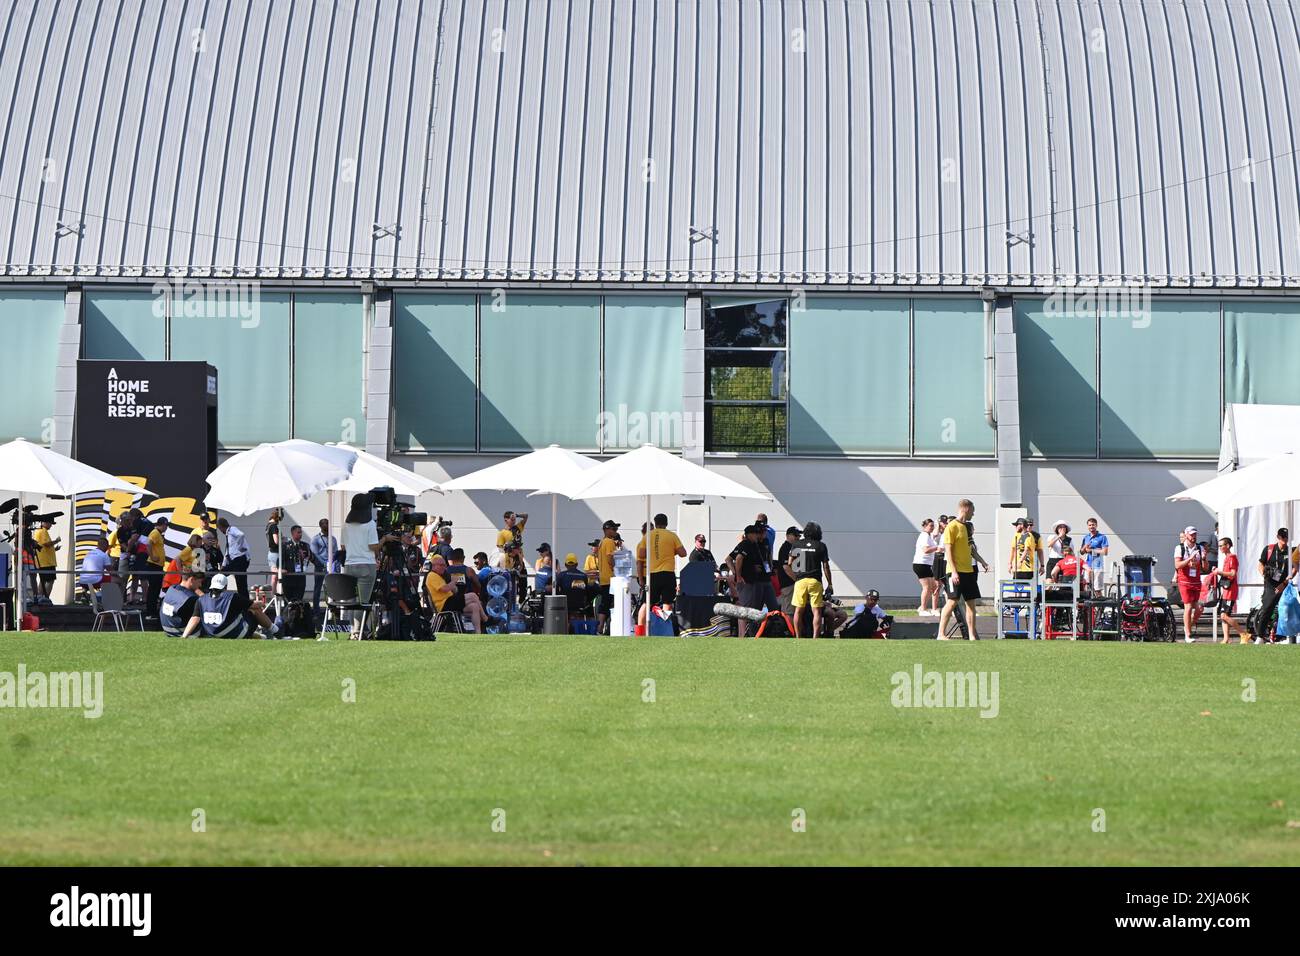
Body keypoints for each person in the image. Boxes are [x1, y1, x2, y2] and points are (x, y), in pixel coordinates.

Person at [341, 494, 391, 639]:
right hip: (366, 566)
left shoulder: (346, 525)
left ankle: (353, 631)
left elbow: (343, 546)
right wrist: (384, 539)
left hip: (349, 565)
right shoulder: (369, 524)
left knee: (351, 601)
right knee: (362, 602)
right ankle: (357, 632)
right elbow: (373, 547)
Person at [181, 573, 279, 639]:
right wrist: (262, 603)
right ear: (226, 586)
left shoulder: (201, 599)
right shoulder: (232, 597)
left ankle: (261, 636)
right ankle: (275, 631)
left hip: (211, 633)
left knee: (240, 615)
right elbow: (254, 606)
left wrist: (184, 636)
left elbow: (194, 618)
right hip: (231, 633)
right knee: (254, 611)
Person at [937, 499, 979, 641]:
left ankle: (972, 636)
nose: (973, 514)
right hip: (954, 571)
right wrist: (954, 571)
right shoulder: (952, 526)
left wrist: (983, 563)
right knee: (952, 601)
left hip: (968, 571)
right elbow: (948, 550)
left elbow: (970, 549)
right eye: (972, 510)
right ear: (966, 509)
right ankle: (941, 634)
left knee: (971, 603)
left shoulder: (967, 527)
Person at [785, 521, 832, 638]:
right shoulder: (821, 545)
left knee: (798, 610)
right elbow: (826, 566)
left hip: (800, 581)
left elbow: (790, 563)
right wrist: (830, 583)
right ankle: (815, 637)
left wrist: (797, 573)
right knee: (816, 611)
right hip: (815, 580)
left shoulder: (796, 544)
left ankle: (798, 636)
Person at [729, 525, 778, 636]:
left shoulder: (757, 544)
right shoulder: (746, 544)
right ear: (750, 534)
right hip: (747, 582)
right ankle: (743, 635)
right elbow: (737, 559)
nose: (758, 535)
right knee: (746, 609)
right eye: (756, 533)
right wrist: (738, 575)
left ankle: (751, 633)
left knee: (752, 609)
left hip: (754, 581)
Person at [636, 514, 687, 609]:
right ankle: (664, 623)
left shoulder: (648, 535)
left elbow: (641, 555)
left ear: (655, 523)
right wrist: (670, 551)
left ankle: (641, 624)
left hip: (652, 574)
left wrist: (654, 551)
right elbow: (683, 553)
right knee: (667, 602)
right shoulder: (672, 535)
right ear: (666, 523)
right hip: (667, 573)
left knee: (647, 602)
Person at [426, 554, 483, 633]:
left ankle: (478, 633)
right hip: (444, 604)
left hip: (450, 601)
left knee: (475, 607)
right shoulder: (432, 575)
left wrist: (452, 584)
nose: (444, 567)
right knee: (473, 595)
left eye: (444, 565)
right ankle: (485, 618)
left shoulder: (441, 576)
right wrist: (453, 581)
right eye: (441, 565)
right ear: (434, 566)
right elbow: (445, 589)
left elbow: (454, 591)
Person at [1174, 525, 1210, 643]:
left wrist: (1204, 559)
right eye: (1191, 534)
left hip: (1196, 581)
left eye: (1195, 534)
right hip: (1184, 581)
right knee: (1188, 606)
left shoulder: (1200, 548)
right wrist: (1189, 559)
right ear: (1186, 535)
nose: (1194, 536)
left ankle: (1187, 626)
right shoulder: (1180, 548)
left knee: (1199, 608)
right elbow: (1177, 565)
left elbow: (1205, 568)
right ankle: (1188, 635)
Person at [1255, 527, 1291, 645]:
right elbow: (1261, 563)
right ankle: (1260, 636)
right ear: (1278, 537)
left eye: (1286, 537)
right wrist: (1263, 573)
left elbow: (1294, 567)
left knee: (1285, 608)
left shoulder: (1290, 551)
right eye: (1282, 537)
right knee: (1267, 608)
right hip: (1270, 584)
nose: (1284, 540)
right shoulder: (1269, 549)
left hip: (1284, 583)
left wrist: (1284, 583)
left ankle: (1282, 637)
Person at [1209, 537, 1246, 645]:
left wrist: (1219, 572)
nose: (1219, 548)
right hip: (1226, 590)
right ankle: (1226, 638)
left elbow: (1233, 574)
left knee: (1224, 615)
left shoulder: (1232, 557)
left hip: (1231, 590)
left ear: (1228, 546)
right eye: (1219, 546)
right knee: (1223, 615)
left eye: (1221, 545)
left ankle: (1243, 633)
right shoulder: (1226, 558)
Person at [159, 569, 203, 637]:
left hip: (166, 629)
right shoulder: (191, 598)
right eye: (199, 582)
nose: (200, 585)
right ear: (191, 580)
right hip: (180, 631)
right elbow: (195, 619)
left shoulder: (172, 588)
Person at [595, 520, 620, 633]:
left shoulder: (601, 542)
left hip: (603, 578)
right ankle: (603, 628)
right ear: (607, 530)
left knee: (604, 603)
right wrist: (618, 566)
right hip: (610, 578)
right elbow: (610, 559)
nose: (615, 531)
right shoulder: (609, 542)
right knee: (610, 604)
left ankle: (601, 627)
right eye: (614, 529)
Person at [216, 517, 250, 598]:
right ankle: (244, 601)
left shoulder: (232, 529)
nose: (221, 531)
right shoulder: (228, 535)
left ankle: (244, 603)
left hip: (239, 559)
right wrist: (224, 564)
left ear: (221, 527)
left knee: (240, 582)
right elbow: (228, 552)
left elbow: (241, 535)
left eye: (219, 529)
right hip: (236, 560)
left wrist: (239, 545)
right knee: (241, 583)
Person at [310, 519, 339, 611]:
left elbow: (335, 552)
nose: (327, 525)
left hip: (332, 567)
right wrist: (324, 563)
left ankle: (333, 609)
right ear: (321, 526)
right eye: (325, 524)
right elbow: (315, 554)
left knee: (333, 588)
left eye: (328, 523)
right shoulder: (316, 539)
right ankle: (316, 610)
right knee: (318, 588)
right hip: (320, 567)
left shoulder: (333, 538)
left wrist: (334, 563)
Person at [912, 518, 940, 615]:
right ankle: (923, 609)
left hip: (926, 565)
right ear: (925, 526)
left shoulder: (929, 535)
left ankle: (922, 607)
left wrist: (938, 524)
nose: (932, 528)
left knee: (934, 586)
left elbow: (935, 533)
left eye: (933, 526)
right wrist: (938, 548)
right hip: (921, 564)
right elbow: (925, 550)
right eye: (930, 526)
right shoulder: (924, 536)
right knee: (927, 587)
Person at [143, 516, 168, 619]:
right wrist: (152, 556)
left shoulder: (158, 534)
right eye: (166, 525)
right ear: (161, 524)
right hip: (154, 565)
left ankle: (152, 612)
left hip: (157, 566)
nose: (166, 528)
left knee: (156, 589)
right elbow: (148, 543)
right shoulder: (155, 532)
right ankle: (150, 612)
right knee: (153, 589)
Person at [774, 526, 800, 618]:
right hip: (788, 584)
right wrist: (797, 580)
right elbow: (786, 567)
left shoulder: (794, 547)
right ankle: (787, 631)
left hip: (793, 583)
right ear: (788, 536)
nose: (798, 537)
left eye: (799, 536)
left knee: (795, 610)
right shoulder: (786, 548)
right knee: (789, 611)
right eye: (795, 535)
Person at [32, 517, 59, 602]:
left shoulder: (38, 531)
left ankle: (40, 597)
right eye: (50, 523)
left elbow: (43, 547)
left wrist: (54, 549)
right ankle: (46, 598)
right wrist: (56, 541)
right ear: (45, 523)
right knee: (50, 580)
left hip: (42, 561)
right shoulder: (43, 531)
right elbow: (46, 544)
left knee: (43, 580)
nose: (51, 526)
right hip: (47, 562)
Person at [280, 525, 309, 603]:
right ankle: (287, 615)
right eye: (298, 532)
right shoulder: (285, 546)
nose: (300, 534)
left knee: (298, 603)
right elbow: (279, 561)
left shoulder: (305, 546)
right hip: (288, 579)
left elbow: (311, 558)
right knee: (288, 603)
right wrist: (281, 569)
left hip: (300, 579)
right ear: (292, 533)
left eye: (301, 532)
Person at [1080, 517, 1109, 592]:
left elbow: (1105, 552)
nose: (1091, 526)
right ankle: (1089, 604)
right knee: (1087, 588)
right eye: (1089, 525)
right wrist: (1085, 547)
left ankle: (1099, 604)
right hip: (1088, 566)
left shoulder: (1102, 537)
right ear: (1087, 526)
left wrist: (1091, 550)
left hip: (1098, 565)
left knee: (1097, 590)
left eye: (1093, 525)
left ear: (1096, 525)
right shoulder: (1086, 537)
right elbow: (1081, 552)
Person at [1008, 517, 1039, 581]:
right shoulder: (1017, 536)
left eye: (1017, 525)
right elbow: (1013, 550)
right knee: (1017, 589)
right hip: (1018, 569)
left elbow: (1026, 550)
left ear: (1022, 525)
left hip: (1027, 569)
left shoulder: (1028, 535)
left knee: (1026, 589)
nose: (1015, 527)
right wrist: (1010, 563)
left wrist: (1020, 562)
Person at [265, 508, 284, 594]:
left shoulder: (268, 525)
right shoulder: (273, 526)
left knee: (274, 576)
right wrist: (283, 540)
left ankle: (274, 595)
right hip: (275, 553)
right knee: (278, 575)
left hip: (271, 553)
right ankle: (277, 595)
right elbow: (276, 541)